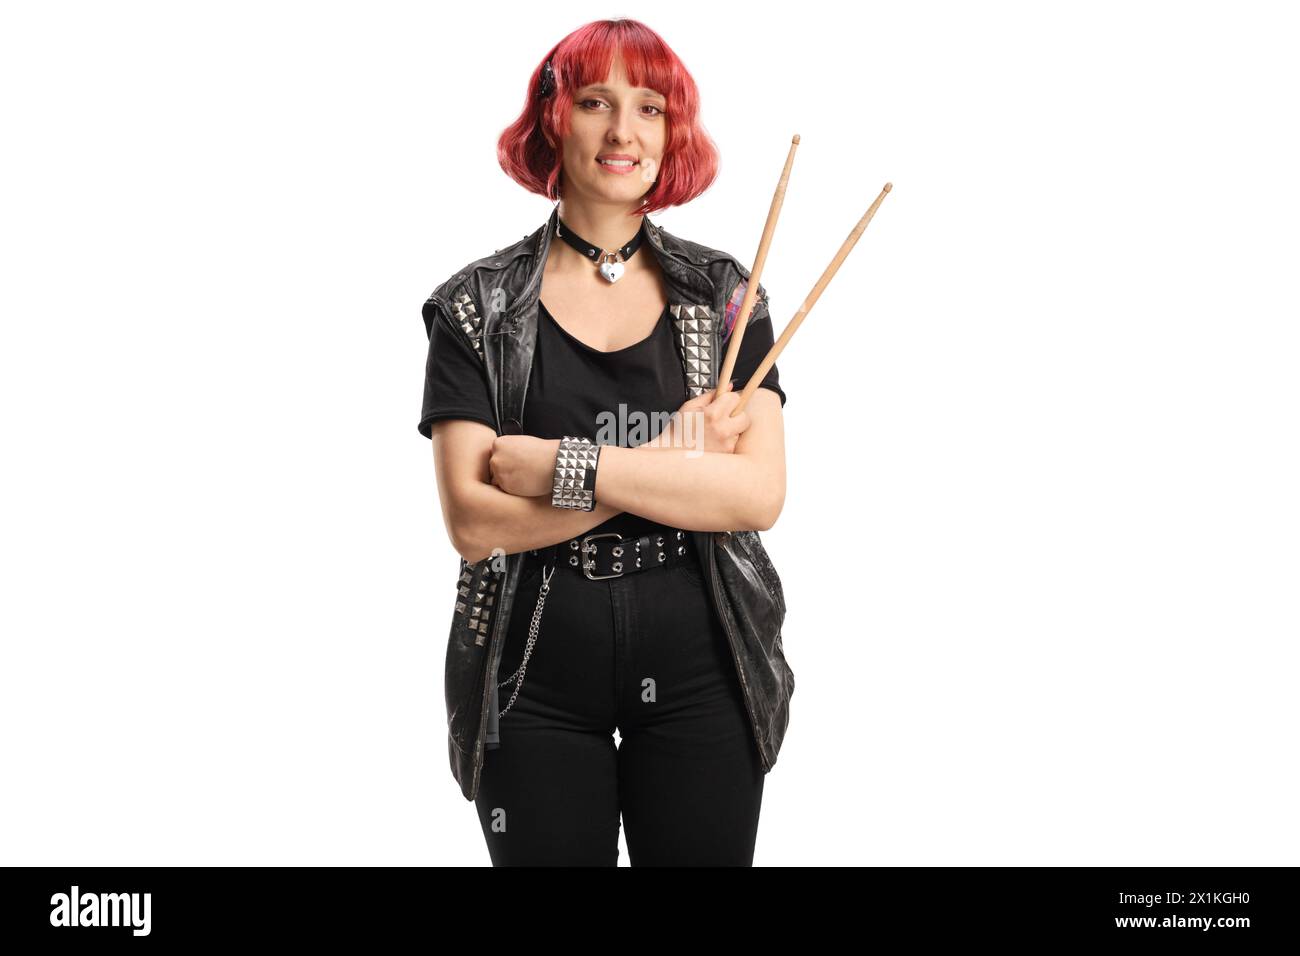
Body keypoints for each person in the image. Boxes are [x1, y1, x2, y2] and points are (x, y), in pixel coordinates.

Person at [418, 18, 792, 866]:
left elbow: (756, 495)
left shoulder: (726, 294)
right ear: (554, 118)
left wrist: (560, 468)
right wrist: (668, 458)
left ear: (672, 132)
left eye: (650, 107)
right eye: (596, 101)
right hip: (531, 670)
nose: (624, 131)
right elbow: (475, 522)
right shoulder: (475, 308)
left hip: (705, 659)